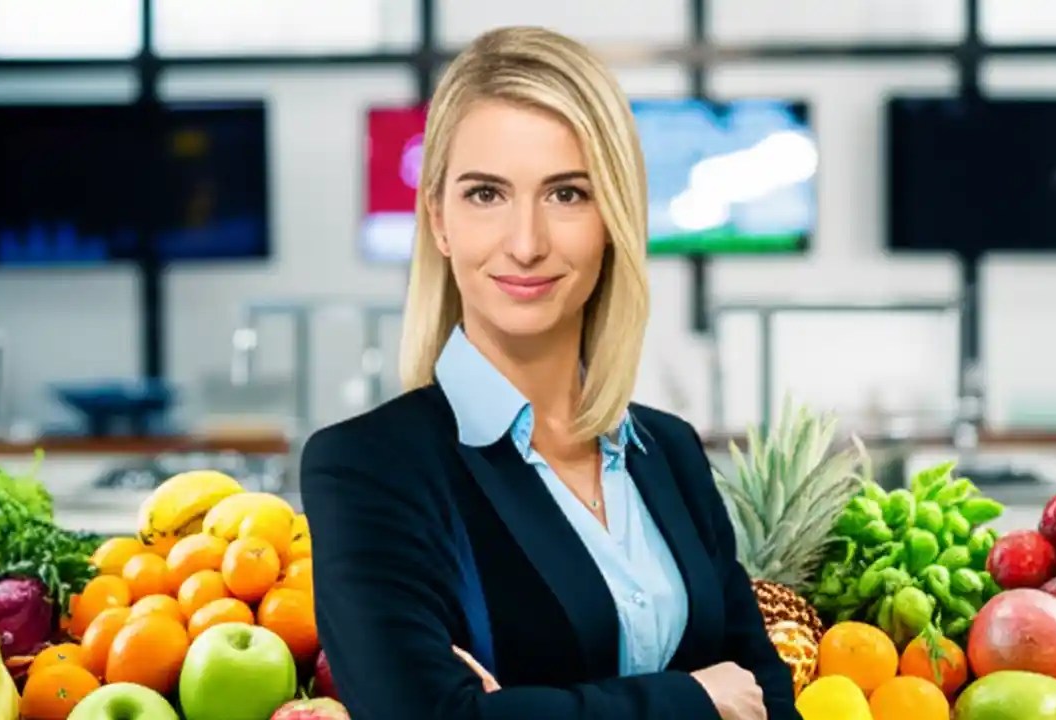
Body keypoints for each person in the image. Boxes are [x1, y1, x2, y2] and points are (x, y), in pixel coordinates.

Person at [301, 25, 799, 720]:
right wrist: (692, 697)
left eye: (566, 195)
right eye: (485, 195)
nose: (527, 243)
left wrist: (528, 707)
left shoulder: (670, 453)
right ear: (438, 220)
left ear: (612, 219)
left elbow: (769, 696)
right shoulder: (370, 467)